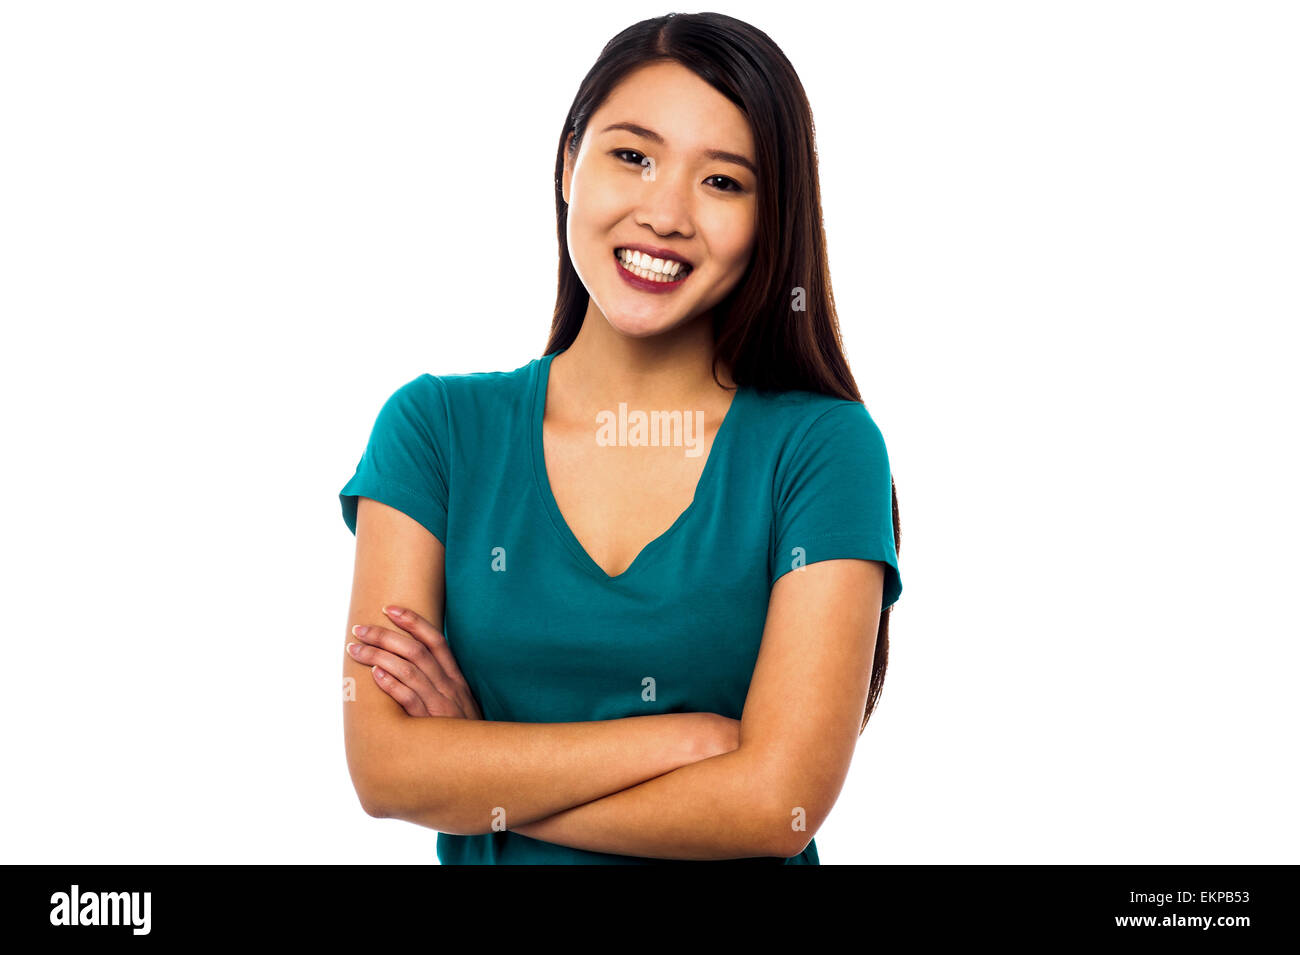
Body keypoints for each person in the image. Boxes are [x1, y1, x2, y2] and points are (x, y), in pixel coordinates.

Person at [338, 12, 902, 864]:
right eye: (632, 156)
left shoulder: (824, 449)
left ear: (769, 220)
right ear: (569, 164)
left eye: (723, 182)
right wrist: (686, 743)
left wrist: (478, 772)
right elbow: (384, 770)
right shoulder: (435, 432)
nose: (666, 213)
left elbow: (776, 804)